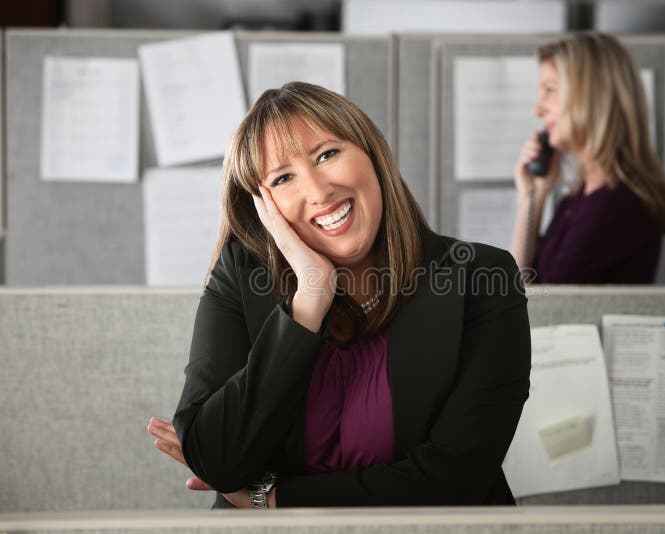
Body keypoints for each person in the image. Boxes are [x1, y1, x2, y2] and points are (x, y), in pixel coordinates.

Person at [147, 82, 531, 508]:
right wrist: (308, 301)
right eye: (283, 178)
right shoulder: (240, 277)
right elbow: (216, 461)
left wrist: (270, 499)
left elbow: (454, 478)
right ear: (262, 206)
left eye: (327, 154)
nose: (318, 191)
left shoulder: (479, 278)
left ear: (372, 154)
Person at [509, 32, 665, 284]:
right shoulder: (580, 199)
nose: (538, 108)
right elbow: (524, 280)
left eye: (550, 89)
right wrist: (532, 197)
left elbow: (522, 297)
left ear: (590, 97)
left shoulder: (616, 206)